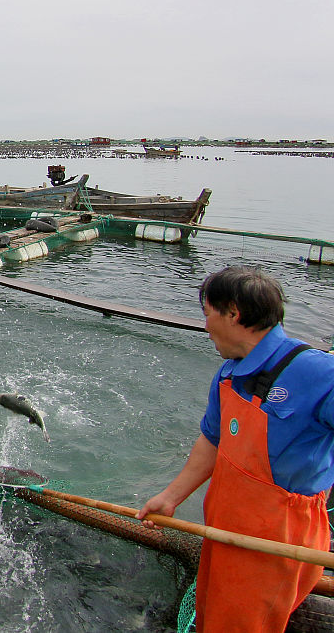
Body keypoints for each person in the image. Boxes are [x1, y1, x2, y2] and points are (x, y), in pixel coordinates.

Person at [136, 267, 334, 633]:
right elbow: (212, 440)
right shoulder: (229, 373)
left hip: (274, 542)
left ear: (233, 313)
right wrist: (170, 496)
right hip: (226, 527)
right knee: (213, 617)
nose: (206, 325)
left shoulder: (318, 373)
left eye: (208, 313)